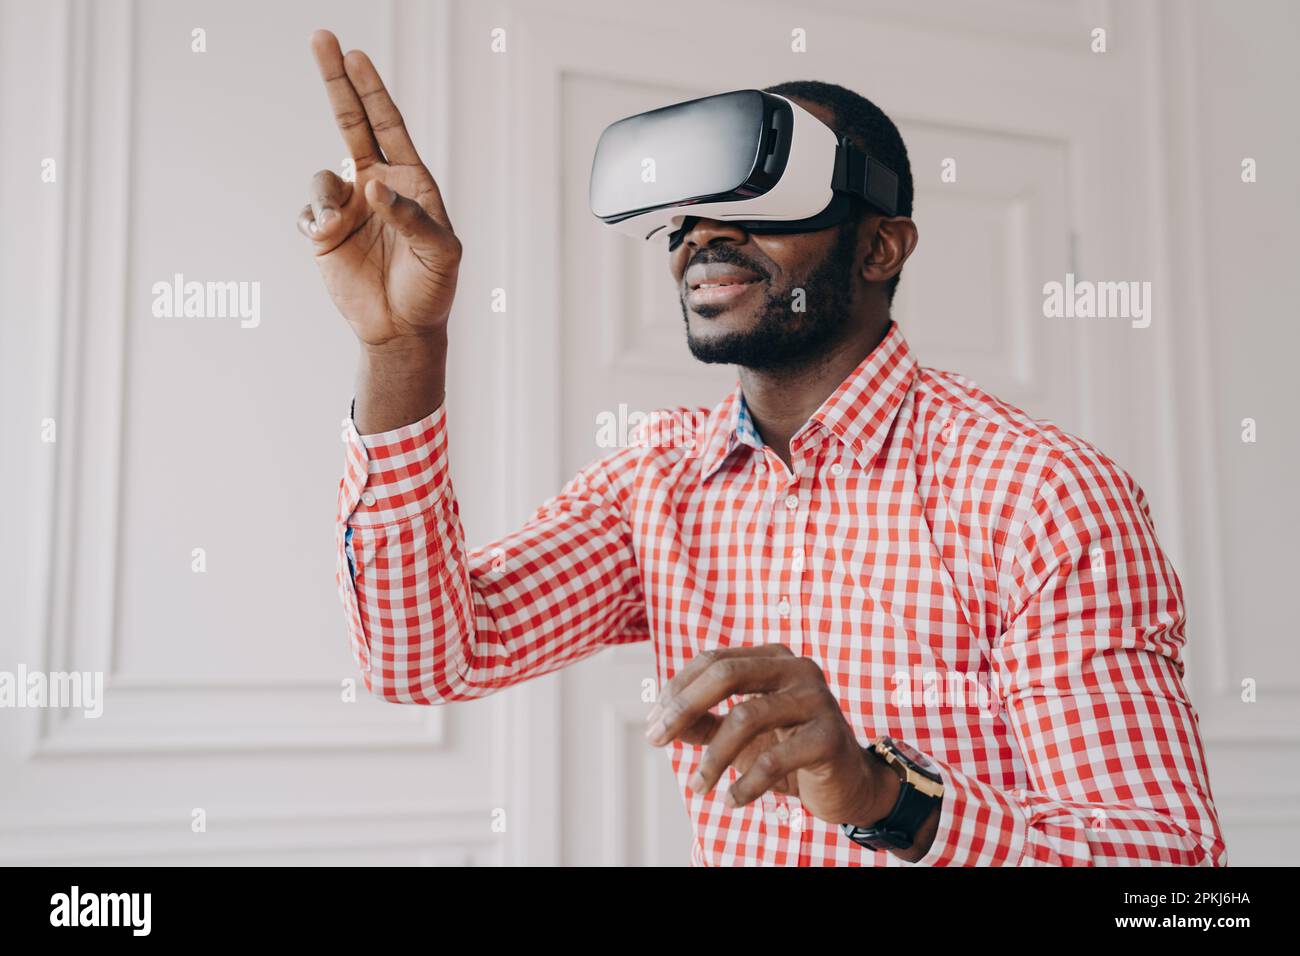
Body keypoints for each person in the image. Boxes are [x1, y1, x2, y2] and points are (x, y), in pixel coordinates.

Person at [298, 29, 1225, 866]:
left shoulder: (1044, 496)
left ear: (881, 248)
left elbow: (1175, 886)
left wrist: (887, 798)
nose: (704, 233)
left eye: (767, 194)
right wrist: (402, 349)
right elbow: (425, 657)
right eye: (687, 212)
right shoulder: (656, 483)